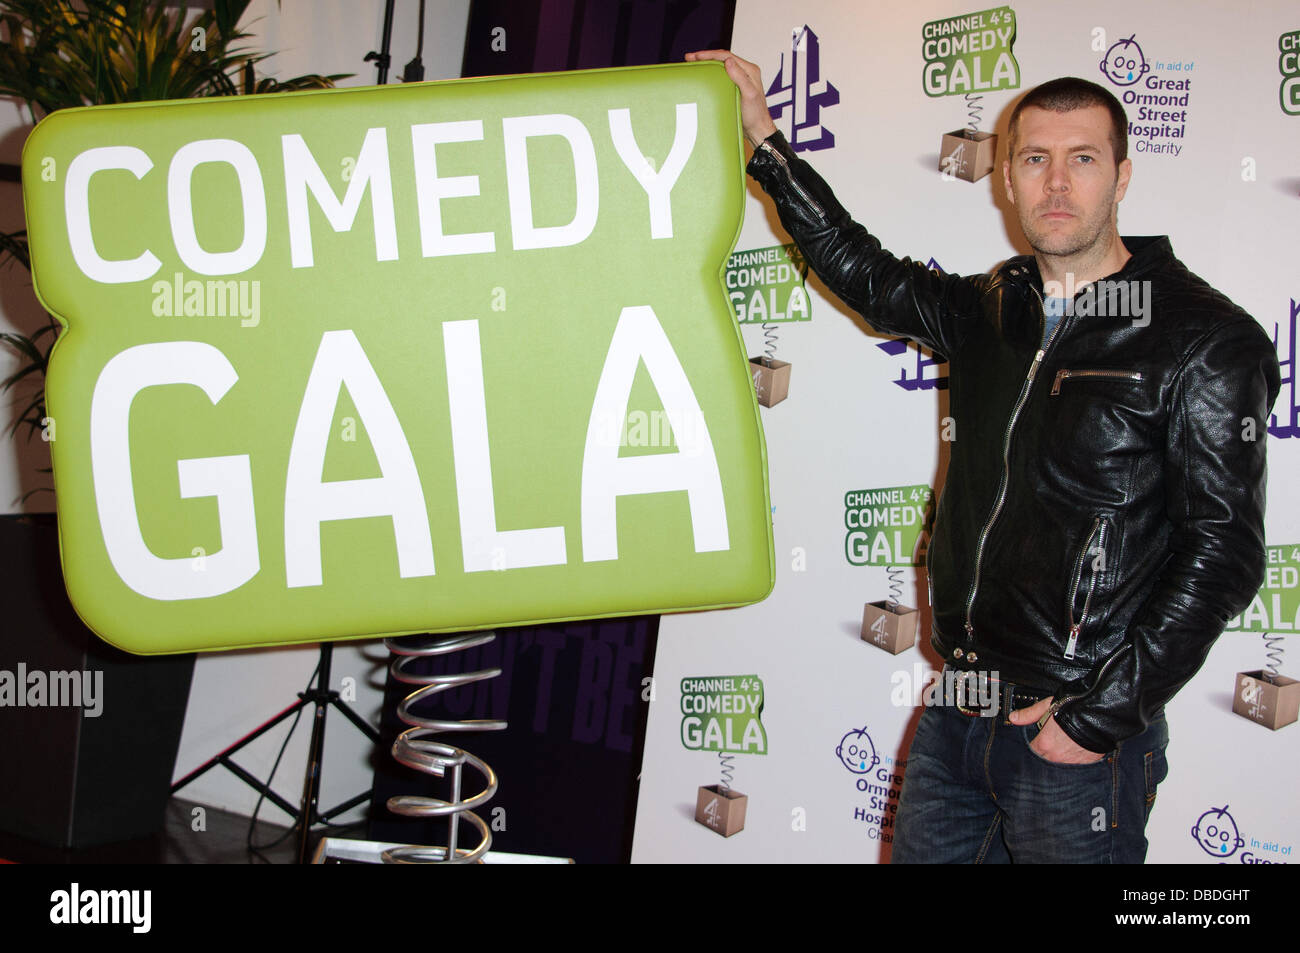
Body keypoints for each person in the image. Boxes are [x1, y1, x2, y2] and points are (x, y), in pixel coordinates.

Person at [689, 50, 1281, 863]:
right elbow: (865, 271)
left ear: (1124, 174)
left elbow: (1224, 554)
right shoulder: (993, 307)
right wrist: (763, 137)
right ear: (1006, 178)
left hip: (1076, 738)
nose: (1058, 184)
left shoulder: (1203, 338)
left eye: (1083, 159)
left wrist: (1094, 719)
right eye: (1035, 160)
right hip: (956, 711)